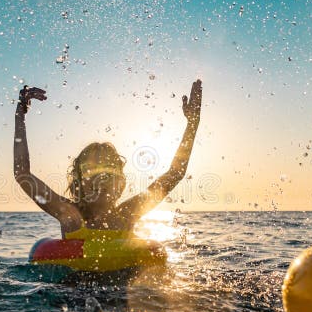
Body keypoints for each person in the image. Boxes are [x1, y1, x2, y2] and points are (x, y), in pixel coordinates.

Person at [13, 79, 202, 238]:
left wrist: (192, 124)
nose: (101, 177)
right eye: (91, 170)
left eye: (109, 170)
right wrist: (19, 115)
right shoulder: (68, 213)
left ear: (120, 181)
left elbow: (175, 173)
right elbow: (22, 173)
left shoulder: (128, 213)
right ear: (78, 182)